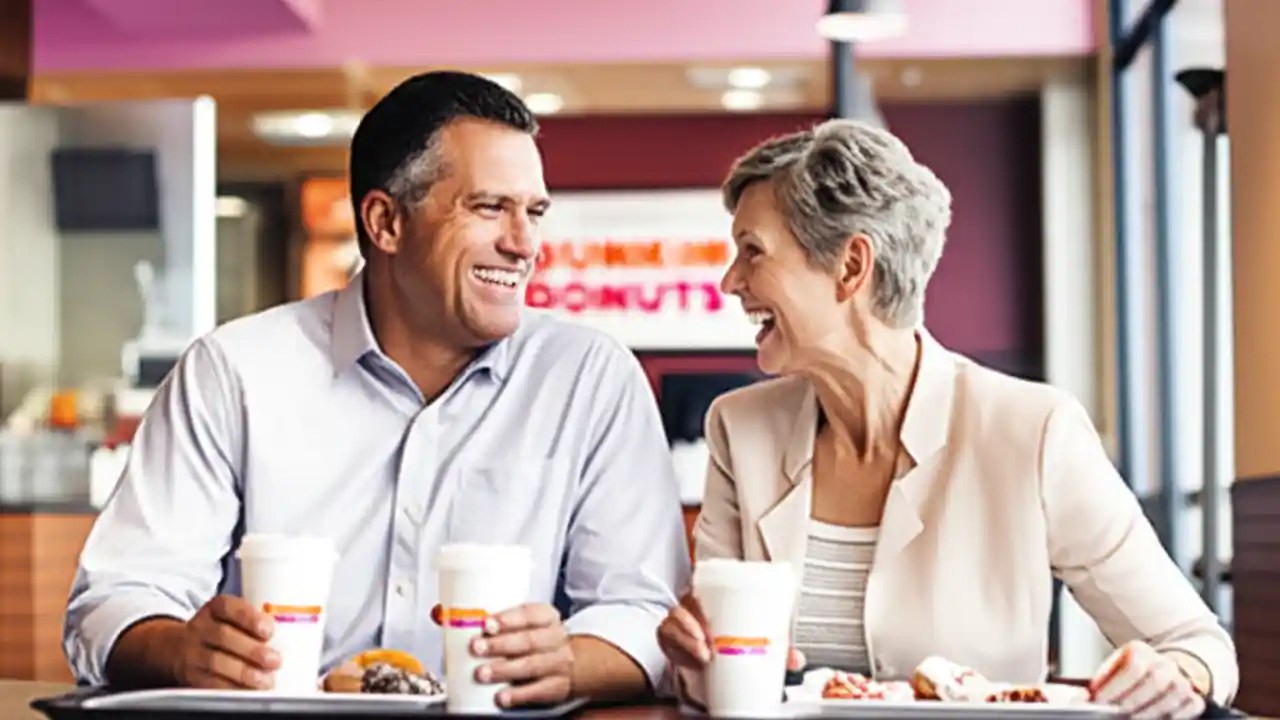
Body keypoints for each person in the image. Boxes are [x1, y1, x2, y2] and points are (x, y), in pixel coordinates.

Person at [64, 71, 690, 707]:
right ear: (386, 222)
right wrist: (180, 650)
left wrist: (569, 662)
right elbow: (114, 599)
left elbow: (643, 609)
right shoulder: (234, 373)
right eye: (488, 207)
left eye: (533, 212)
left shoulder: (590, 378)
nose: (523, 244)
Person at [656, 119, 1237, 720]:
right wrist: (691, 659)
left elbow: (1198, 646)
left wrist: (1172, 676)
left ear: (851, 266)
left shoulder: (1033, 430)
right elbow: (714, 672)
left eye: (752, 252)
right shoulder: (739, 428)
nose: (731, 281)